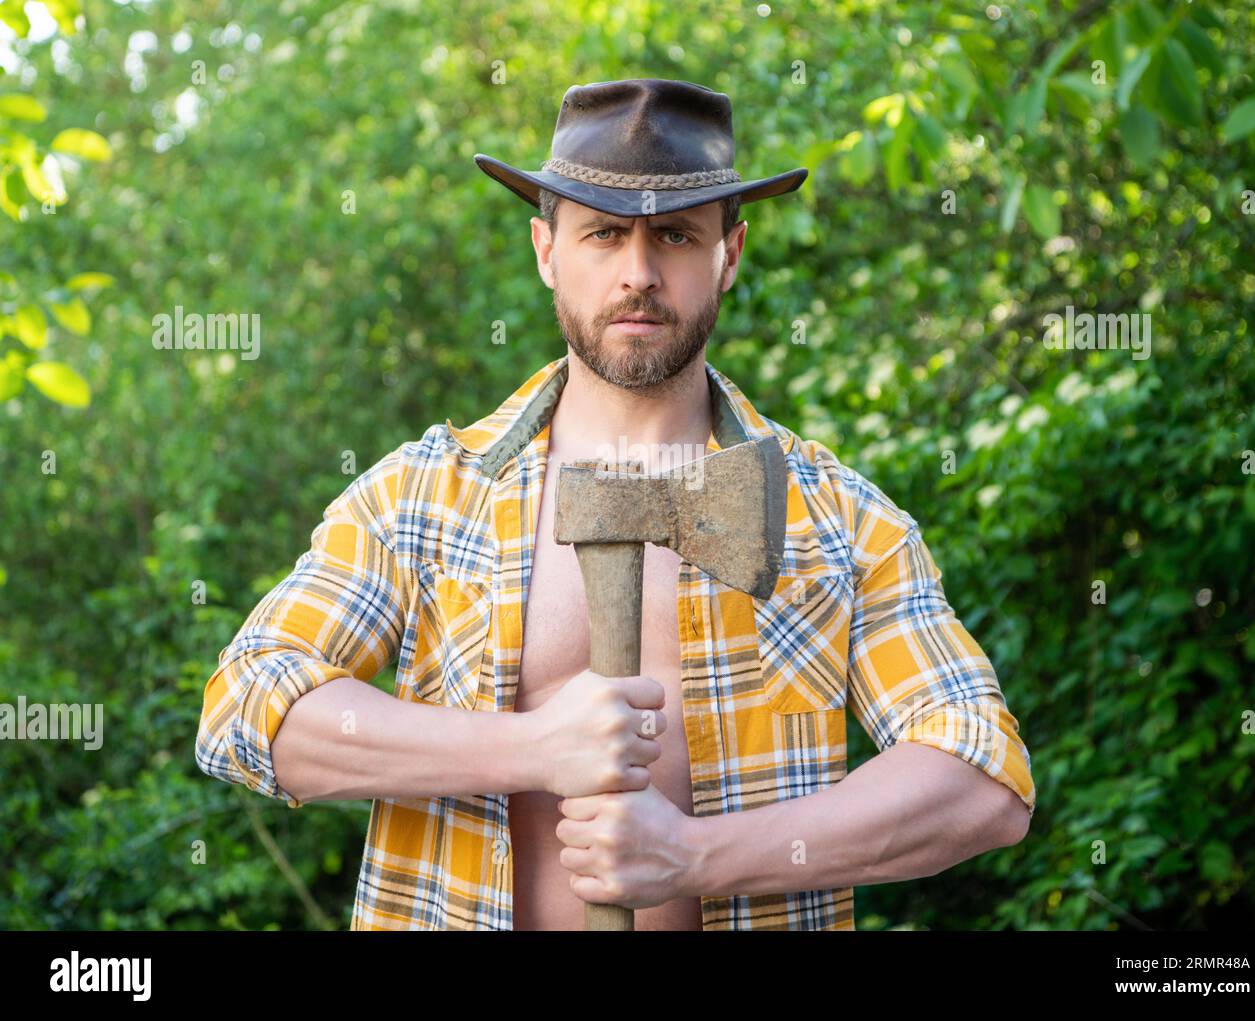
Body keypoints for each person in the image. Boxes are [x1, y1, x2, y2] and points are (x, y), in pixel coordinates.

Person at [196, 78, 1034, 931]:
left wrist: (698, 856)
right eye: (602, 233)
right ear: (546, 251)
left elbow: (981, 775)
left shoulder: (834, 521)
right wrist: (532, 747)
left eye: (675, 234)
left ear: (730, 254)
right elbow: (247, 704)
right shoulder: (426, 498)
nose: (638, 273)